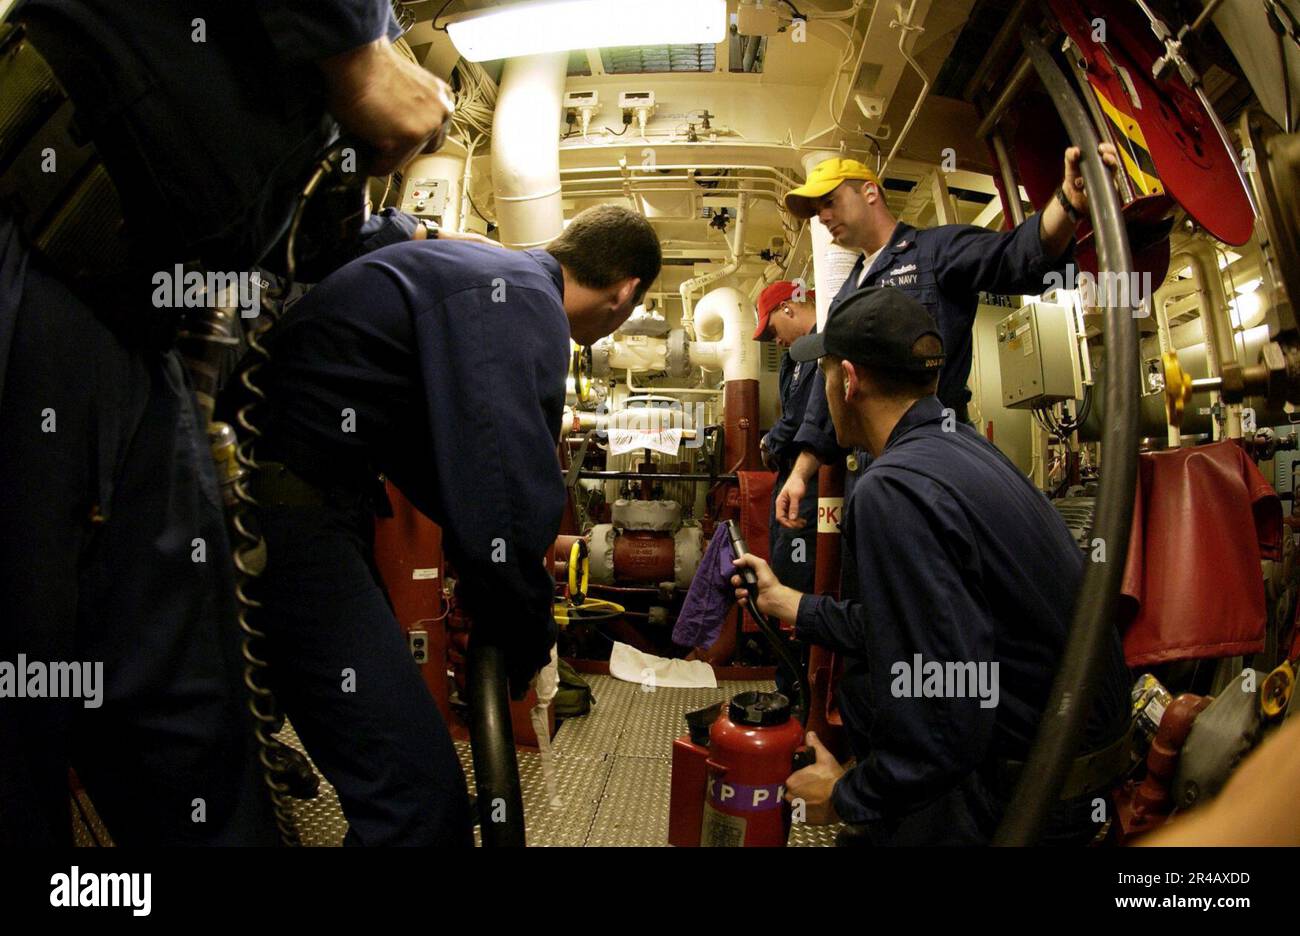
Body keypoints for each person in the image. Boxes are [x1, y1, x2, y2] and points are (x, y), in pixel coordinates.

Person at [0, 0, 452, 845]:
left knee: (193, 754)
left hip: (134, 336)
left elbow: (312, 241)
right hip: (40, 242)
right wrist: (359, 54)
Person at [229, 204, 662, 845]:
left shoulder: (487, 277)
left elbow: (445, 465)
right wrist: (526, 626)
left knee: (400, 792)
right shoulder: (523, 299)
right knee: (419, 809)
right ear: (626, 292)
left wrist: (505, 602)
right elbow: (506, 485)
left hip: (280, 506)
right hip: (286, 518)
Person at [731, 288, 1130, 846]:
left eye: (823, 376)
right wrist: (789, 602)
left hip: (1021, 792)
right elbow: (922, 628)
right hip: (1075, 766)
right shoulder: (961, 449)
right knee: (868, 696)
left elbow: (946, 714)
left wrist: (845, 795)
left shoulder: (893, 488)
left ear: (848, 381)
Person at [774, 144, 1119, 531]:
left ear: (870, 192)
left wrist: (1067, 205)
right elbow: (828, 390)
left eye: (829, 201)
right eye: (817, 210)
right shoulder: (848, 292)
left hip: (936, 450)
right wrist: (801, 473)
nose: (822, 216)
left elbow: (1012, 256)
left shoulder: (935, 251)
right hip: (872, 463)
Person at [754, 280, 818, 594]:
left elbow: (801, 415)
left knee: (800, 563)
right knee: (786, 553)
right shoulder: (795, 357)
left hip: (815, 473)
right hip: (794, 472)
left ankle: (799, 637)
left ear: (787, 308)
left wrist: (769, 442)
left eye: (772, 331)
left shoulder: (822, 344)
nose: (775, 340)